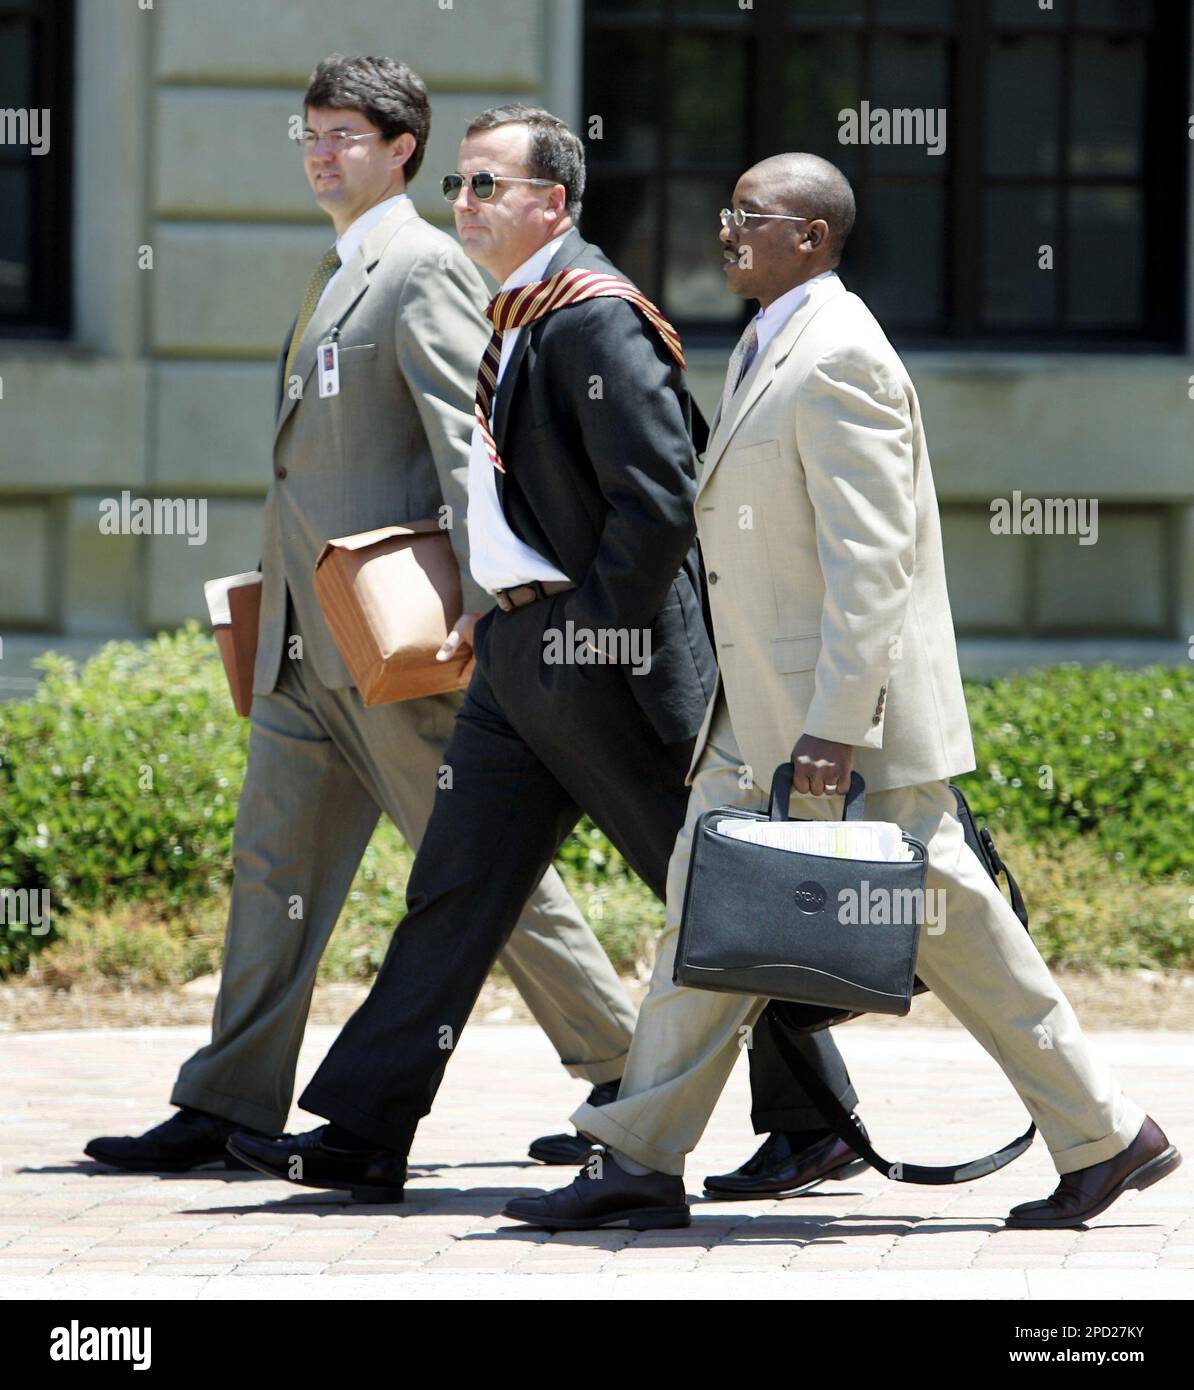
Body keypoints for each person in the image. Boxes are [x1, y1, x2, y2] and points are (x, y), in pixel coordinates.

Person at [503, 153, 1181, 1232]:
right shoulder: (775, 340)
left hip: (831, 728)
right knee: (706, 920)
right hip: (763, 714)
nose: (726, 232)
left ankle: (1104, 1133)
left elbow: (877, 567)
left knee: (949, 928)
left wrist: (836, 722)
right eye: (727, 213)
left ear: (811, 236)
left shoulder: (840, 358)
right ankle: (638, 1152)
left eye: (750, 216)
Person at [228, 108, 862, 1203]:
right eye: (460, 186)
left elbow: (660, 500)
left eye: (486, 186)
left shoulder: (593, 319)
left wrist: (584, 635)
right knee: (455, 892)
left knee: (713, 898)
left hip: (607, 674)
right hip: (522, 660)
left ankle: (816, 1121)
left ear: (553, 205)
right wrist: (498, 601)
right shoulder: (519, 311)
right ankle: (363, 1132)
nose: (463, 203)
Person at [84, 58, 639, 1176]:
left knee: (478, 870)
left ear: (402, 150)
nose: (320, 150)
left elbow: (463, 445)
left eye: (344, 133)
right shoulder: (335, 269)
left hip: (391, 643)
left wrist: (484, 603)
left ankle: (631, 1075)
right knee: (271, 870)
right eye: (311, 132)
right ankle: (229, 1102)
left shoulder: (422, 265)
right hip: (302, 639)